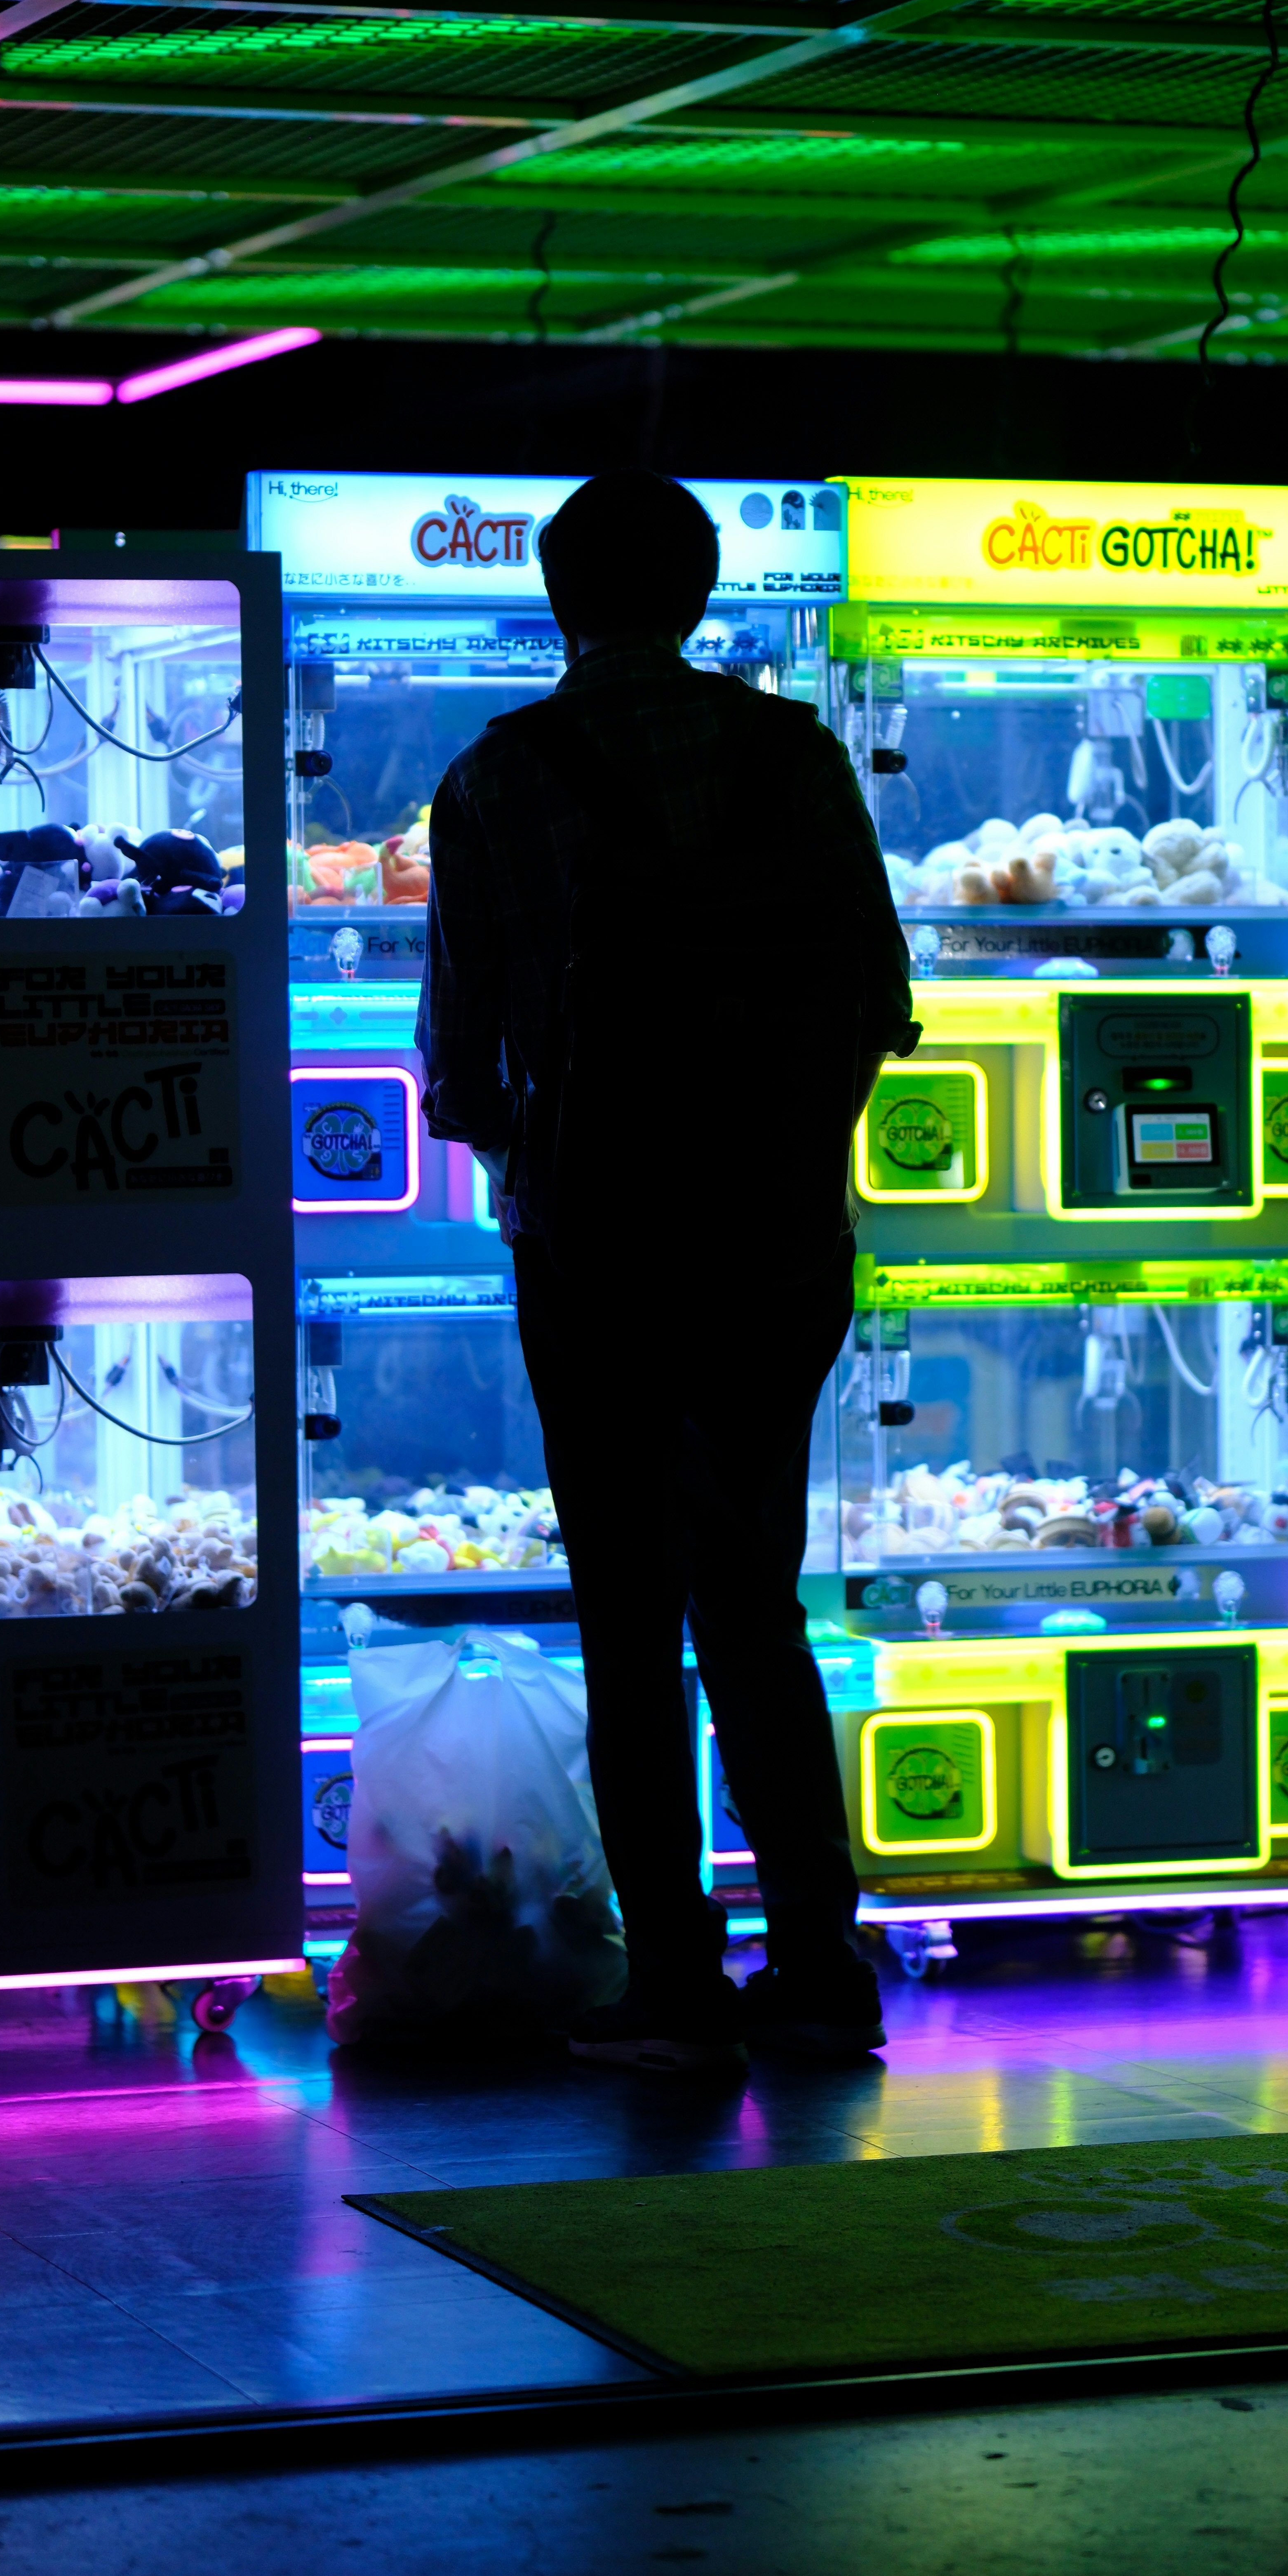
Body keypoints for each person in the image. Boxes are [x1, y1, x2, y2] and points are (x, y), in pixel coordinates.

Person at [417, 469, 920, 2070]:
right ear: (701, 598)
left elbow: (455, 1065)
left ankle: (675, 1983)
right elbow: (881, 1002)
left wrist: (527, 1158)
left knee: (629, 1618)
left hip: (598, 1247)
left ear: (559, 601)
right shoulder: (799, 756)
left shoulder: (501, 780)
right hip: (778, 1248)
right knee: (754, 1607)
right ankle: (822, 1968)